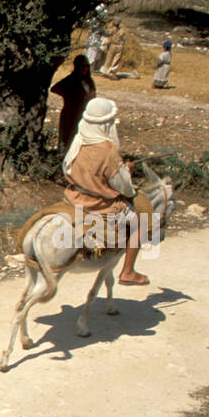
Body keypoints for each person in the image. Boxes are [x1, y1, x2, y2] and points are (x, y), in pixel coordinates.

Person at [61, 98, 149, 285]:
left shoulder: (78, 141)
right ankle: (128, 271)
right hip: (98, 204)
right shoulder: (108, 151)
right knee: (141, 221)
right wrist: (126, 170)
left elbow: (67, 168)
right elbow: (124, 188)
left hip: (73, 197)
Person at [51, 55, 97, 156]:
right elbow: (54, 88)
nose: (84, 68)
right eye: (81, 66)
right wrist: (69, 96)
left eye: (86, 66)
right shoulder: (71, 80)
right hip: (70, 114)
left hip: (84, 115)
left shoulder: (89, 81)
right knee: (67, 138)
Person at [84, 4, 108, 70]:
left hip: (96, 39)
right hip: (93, 39)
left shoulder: (98, 23)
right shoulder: (94, 21)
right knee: (91, 53)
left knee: (94, 53)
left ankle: (92, 67)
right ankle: (89, 67)